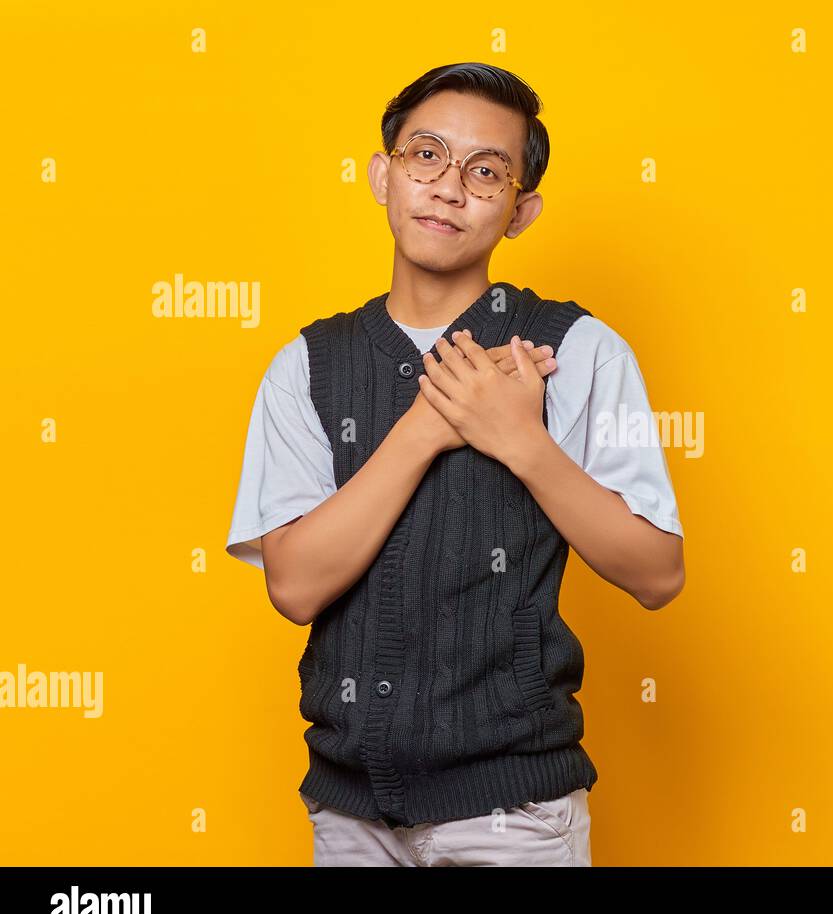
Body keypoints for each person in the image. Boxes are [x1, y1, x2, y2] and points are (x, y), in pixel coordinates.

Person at [225, 62, 685, 866]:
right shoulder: (306, 364)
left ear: (521, 210)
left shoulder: (574, 350)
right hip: (349, 810)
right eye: (425, 155)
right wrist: (429, 426)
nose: (447, 188)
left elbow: (657, 571)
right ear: (382, 174)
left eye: (485, 172)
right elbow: (295, 587)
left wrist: (521, 441)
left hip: (516, 811)